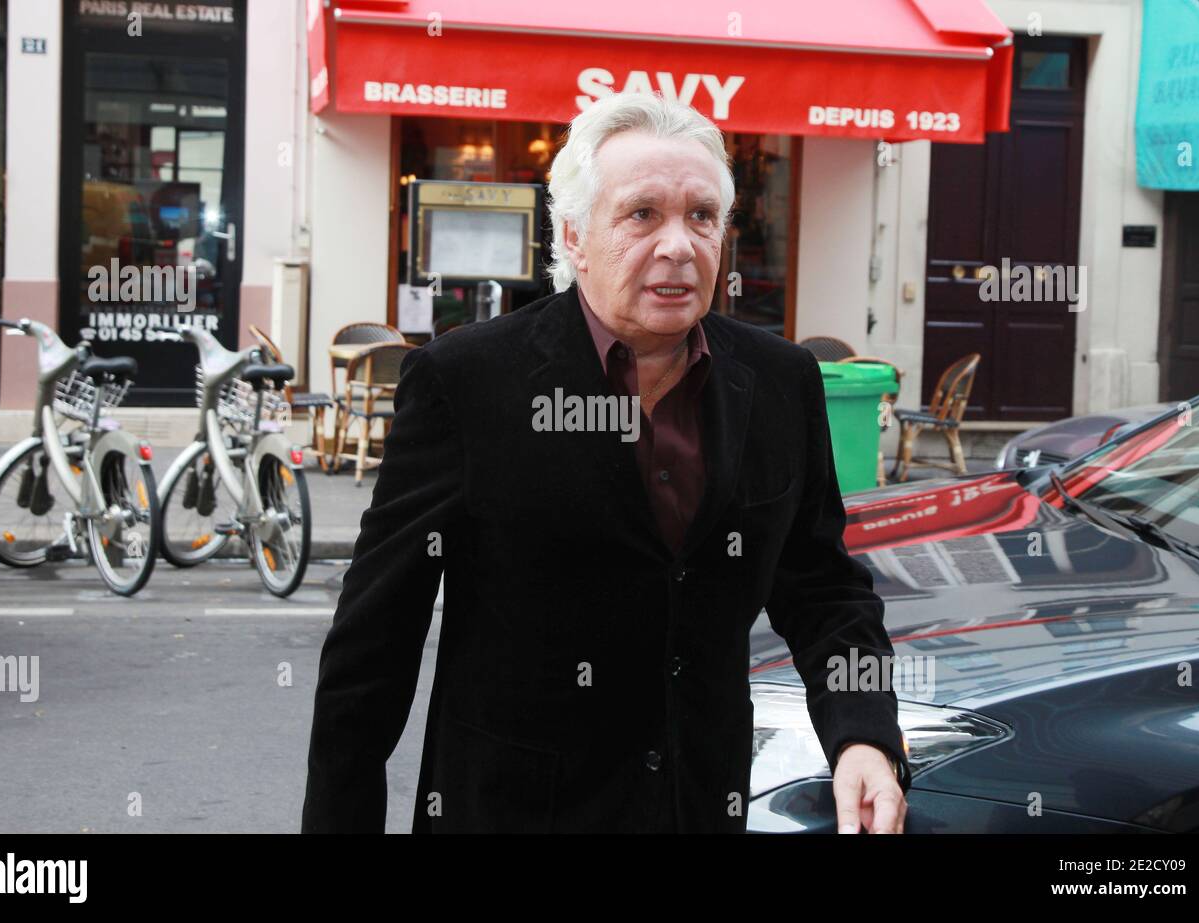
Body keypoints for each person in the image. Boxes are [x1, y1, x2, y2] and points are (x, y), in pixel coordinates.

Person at [302, 90, 909, 834]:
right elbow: (373, 646)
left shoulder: (780, 382)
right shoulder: (467, 383)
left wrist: (865, 734)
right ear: (575, 236)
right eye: (642, 214)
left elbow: (822, 584)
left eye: (701, 216)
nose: (679, 246)